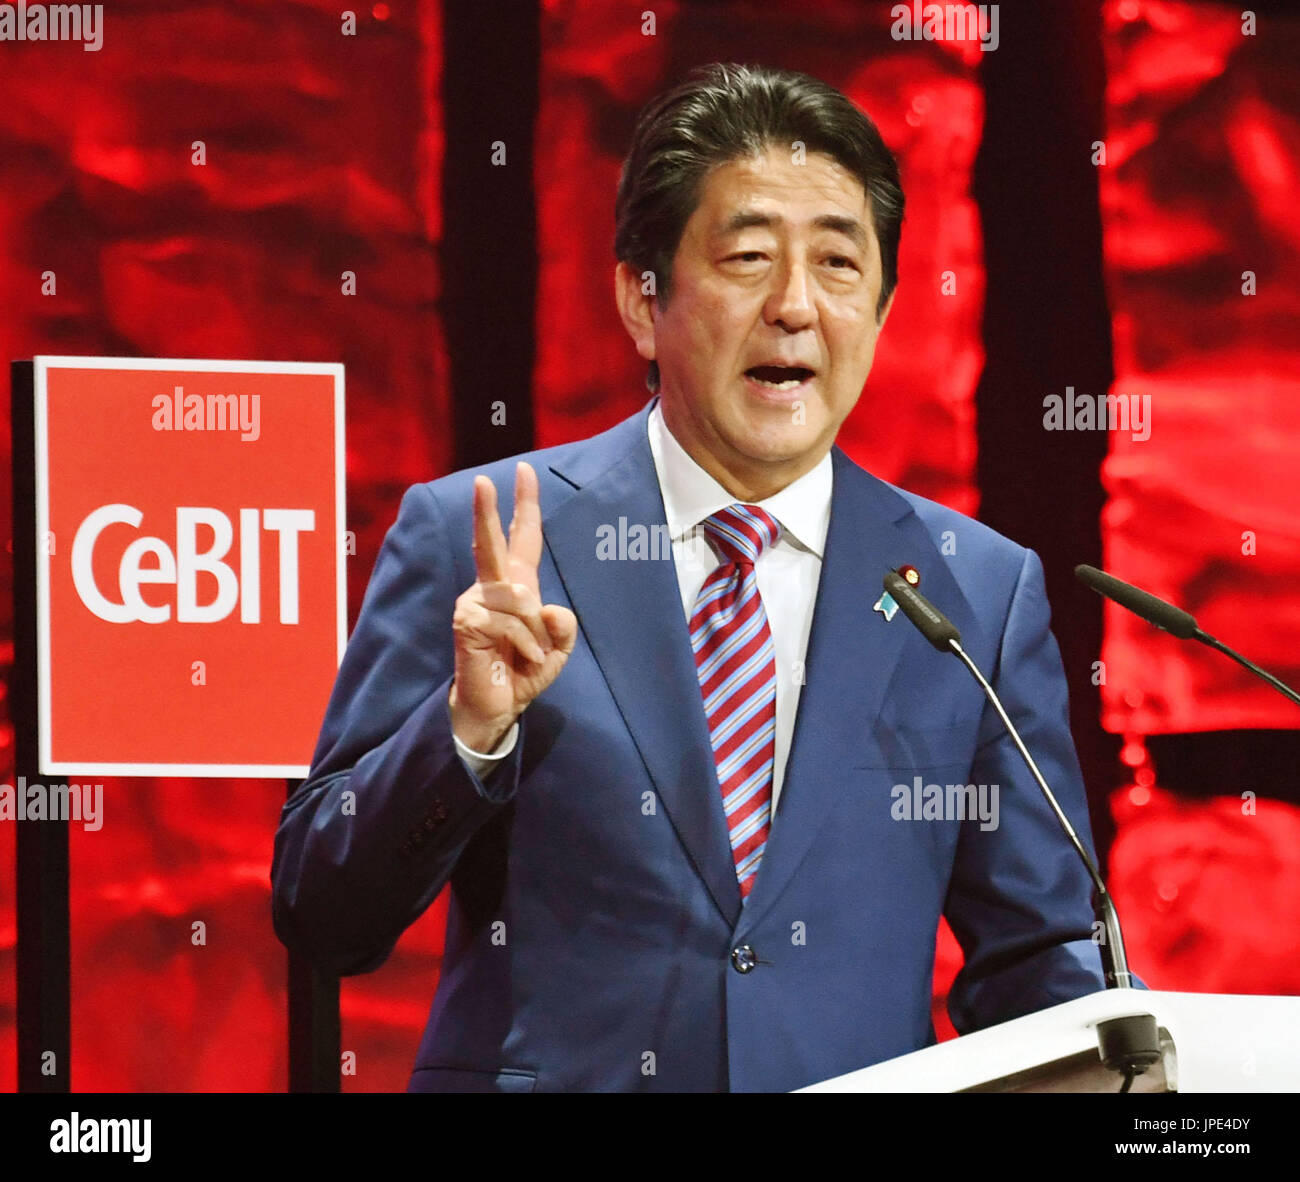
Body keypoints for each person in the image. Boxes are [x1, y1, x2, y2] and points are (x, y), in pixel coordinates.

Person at [271, 62, 1108, 1093]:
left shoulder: (973, 590)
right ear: (641, 298)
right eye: (748, 256)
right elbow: (323, 910)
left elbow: (1039, 958)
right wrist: (465, 731)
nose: (795, 306)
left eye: (839, 266)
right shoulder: (481, 538)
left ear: (884, 312)